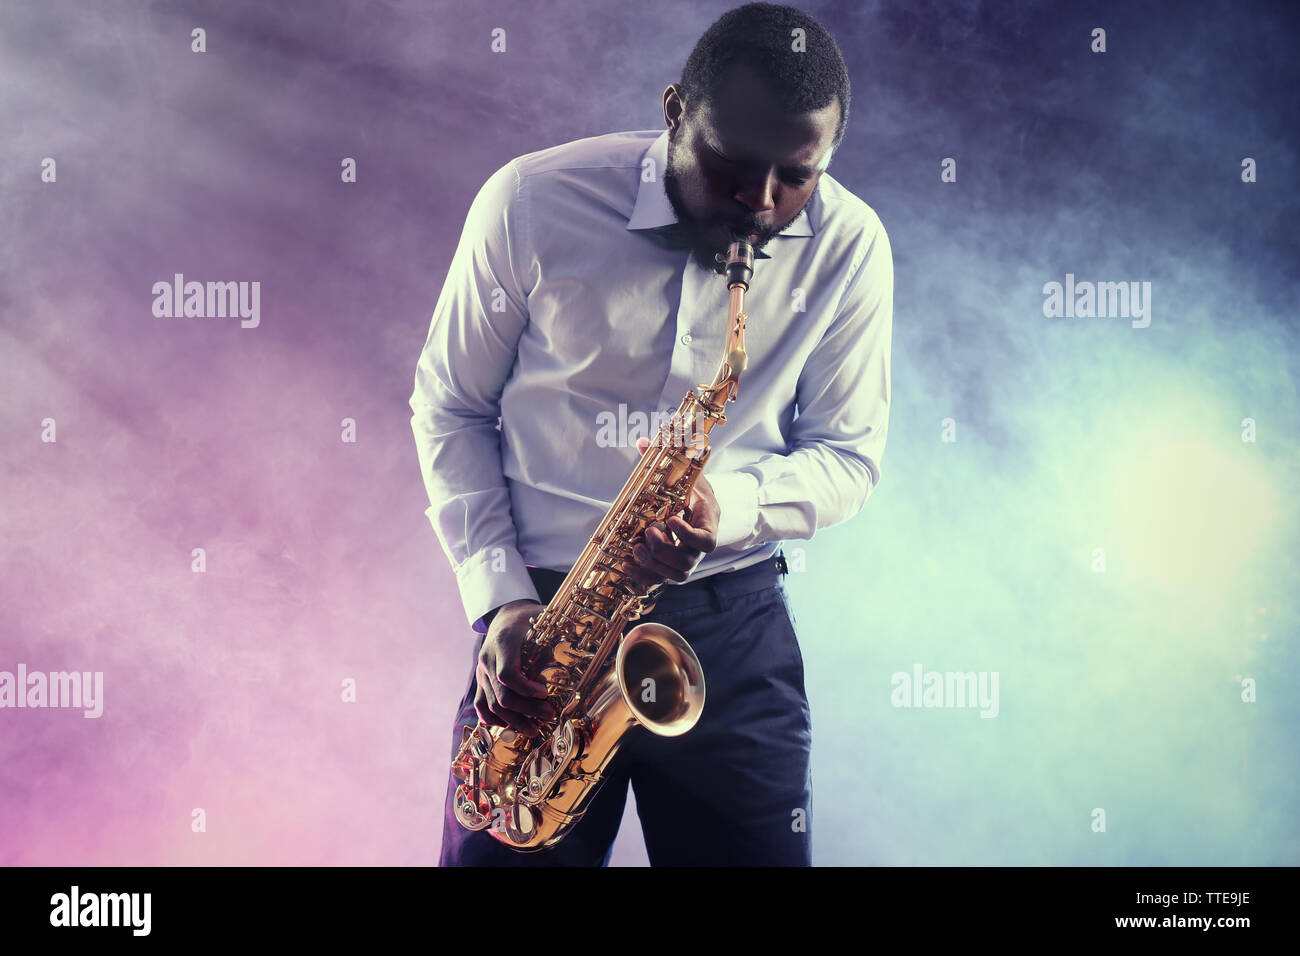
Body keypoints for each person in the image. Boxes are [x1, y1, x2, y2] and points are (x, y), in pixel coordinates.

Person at [409, 1, 892, 866]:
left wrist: (731, 504)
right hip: (545, 627)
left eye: (798, 175)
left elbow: (849, 458)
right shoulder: (530, 201)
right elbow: (450, 404)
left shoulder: (850, 247)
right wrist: (500, 598)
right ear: (675, 111)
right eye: (734, 165)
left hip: (730, 635)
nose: (762, 201)